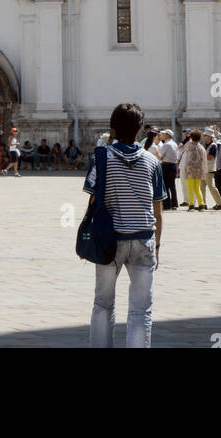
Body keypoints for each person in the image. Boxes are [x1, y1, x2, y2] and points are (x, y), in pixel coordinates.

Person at [84, 102, 166, 349]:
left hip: (110, 240)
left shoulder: (101, 158)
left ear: (113, 128)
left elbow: (93, 203)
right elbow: (158, 211)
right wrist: (158, 246)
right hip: (143, 238)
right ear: (140, 130)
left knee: (103, 304)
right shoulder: (152, 162)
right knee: (141, 311)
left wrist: (89, 240)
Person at [182, 130, 207, 210]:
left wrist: (186, 139)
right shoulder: (201, 147)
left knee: (189, 188)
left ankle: (191, 204)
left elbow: (181, 149)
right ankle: (201, 204)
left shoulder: (189, 145)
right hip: (199, 171)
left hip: (190, 170)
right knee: (197, 188)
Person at [157, 129, 179, 210]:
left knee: (166, 186)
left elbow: (160, 157)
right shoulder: (174, 143)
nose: (162, 135)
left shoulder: (166, 145)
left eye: (163, 134)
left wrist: (156, 152)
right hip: (173, 165)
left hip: (166, 165)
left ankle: (167, 204)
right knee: (172, 186)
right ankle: (174, 204)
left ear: (167, 135)